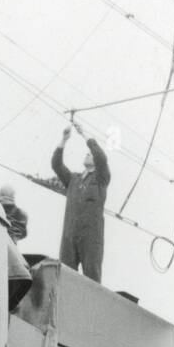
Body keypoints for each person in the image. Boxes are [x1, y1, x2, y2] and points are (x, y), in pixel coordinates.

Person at [51, 121, 110, 282]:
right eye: (86, 153)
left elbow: (101, 157)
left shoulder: (101, 178)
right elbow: (56, 165)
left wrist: (84, 134)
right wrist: (64, 140)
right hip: (69, 236)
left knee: (92, 278)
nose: (87, 154)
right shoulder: (73, 179)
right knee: (65, 278)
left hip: (91, 238)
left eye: (90, 154)